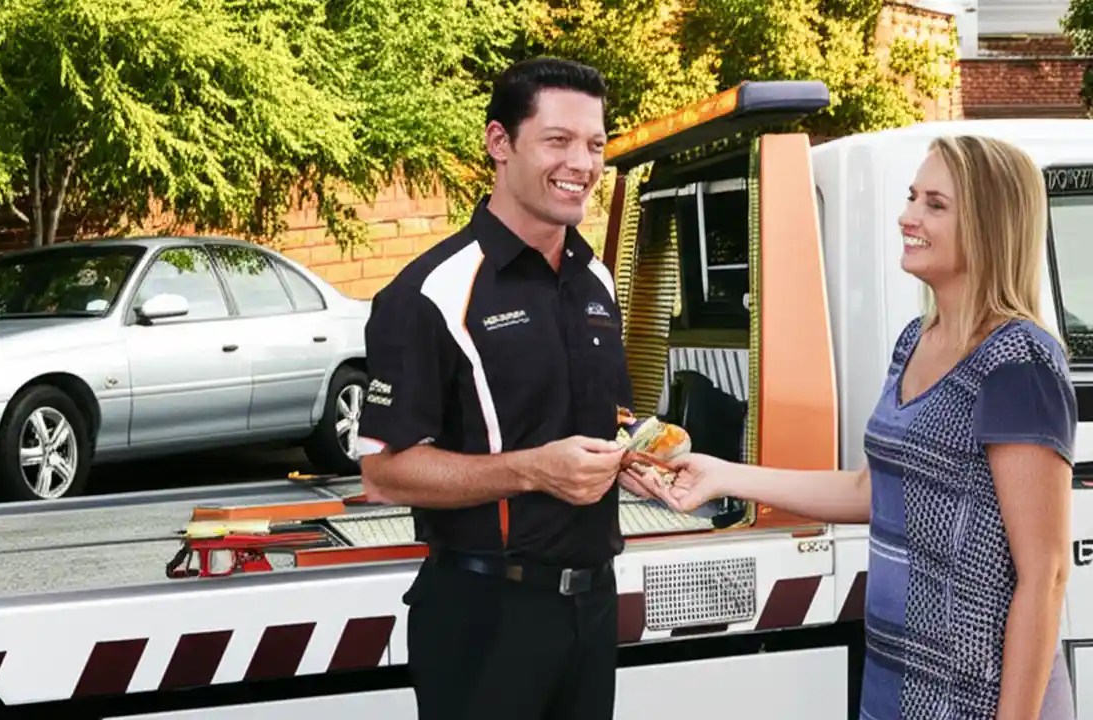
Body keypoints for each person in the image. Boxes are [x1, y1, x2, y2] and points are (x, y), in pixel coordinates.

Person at [662, 135, 1078, 720]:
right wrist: (724, 475)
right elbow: (872, 490)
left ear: (990, 224)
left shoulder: (1019, 363)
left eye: (935, 204)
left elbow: (1047, 575)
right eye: (912, 197)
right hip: (896, 682)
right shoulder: (916, 340)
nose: (907, 216)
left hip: (975, 697)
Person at [355, 57, 657, 720]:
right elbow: (385, 472)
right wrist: (533, 472)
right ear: (500, 143)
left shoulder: (595, 281)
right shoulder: (428, 293)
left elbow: (609, 420)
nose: (582, 162)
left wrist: (639, 454)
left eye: (595, 144)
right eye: (557, 140)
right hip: (483, 617)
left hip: (593, 607)